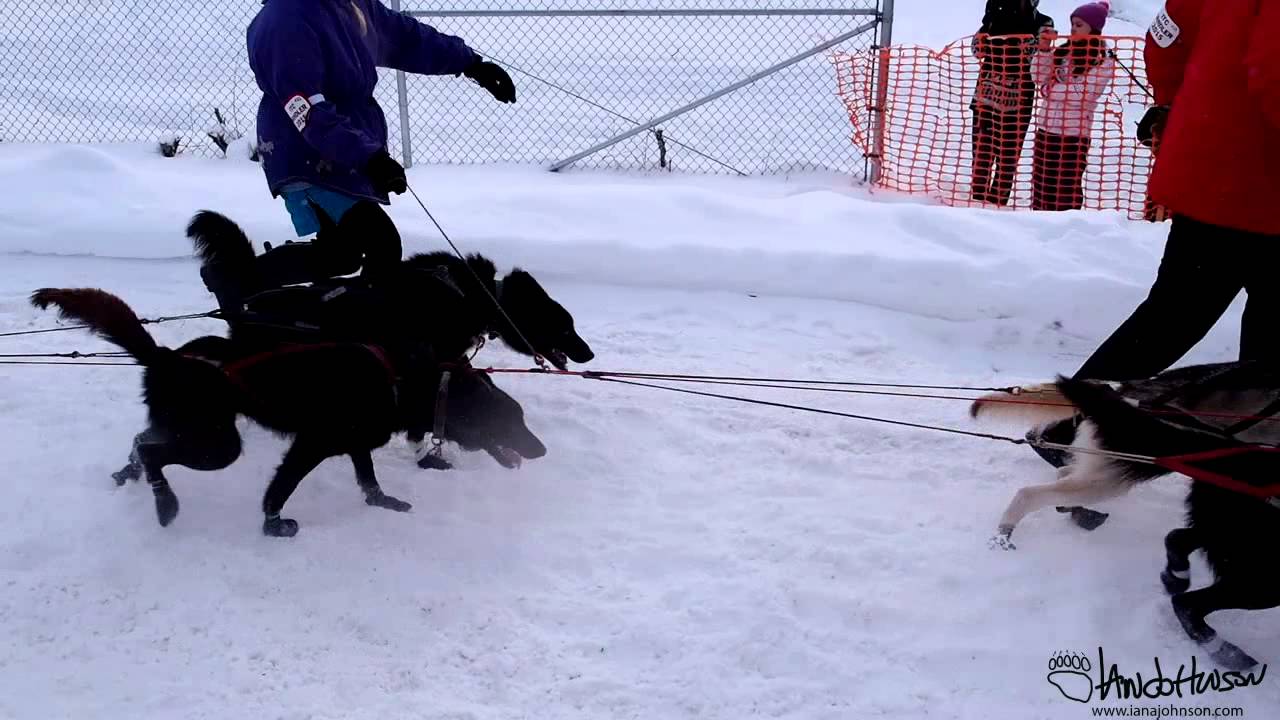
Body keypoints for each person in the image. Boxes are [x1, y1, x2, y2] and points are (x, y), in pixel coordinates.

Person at [1029, 0, 1280, 467]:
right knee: (1263, 340)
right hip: (1258, 187)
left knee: (1173, 317)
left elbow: (1164, 37)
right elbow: (1273, 73)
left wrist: (1179, 101)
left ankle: (1070, 425)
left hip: (1212, 173)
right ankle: (1246, 464)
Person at [203, 0, 516, 312]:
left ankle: (239, 282)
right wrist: (368, 157)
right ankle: (373, 329)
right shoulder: (284, 20)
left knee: (341, 255)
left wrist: (470, 64)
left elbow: (404, 37)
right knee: (381, 243)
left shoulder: (349, 5)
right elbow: (306, 109)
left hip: (341, 149)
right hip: (306, 152)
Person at [1028, 2, 1115, 211]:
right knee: (1042, 187)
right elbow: (1038, 77)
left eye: (1079, 25)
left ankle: (1067, 228)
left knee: (1066, 189)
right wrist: (1043, 51)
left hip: (1074, 135)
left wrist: (1051, 91)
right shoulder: (1063, 52)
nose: (1073, 29)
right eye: (1072, 24)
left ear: (1093, 27)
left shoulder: (1103, 58)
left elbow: (1083, 93)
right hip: (1046, 128)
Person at [970, 0, 1055, 207]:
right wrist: (989, 29)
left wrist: (1021, 41)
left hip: (1018, 101)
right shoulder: (993, 13)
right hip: (986, 95)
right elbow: (977, 50)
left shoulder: (1042, 22)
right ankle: (975, 202)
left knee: (1007, 158)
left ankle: (997, 206)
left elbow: (1034, 57)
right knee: (981, 155)